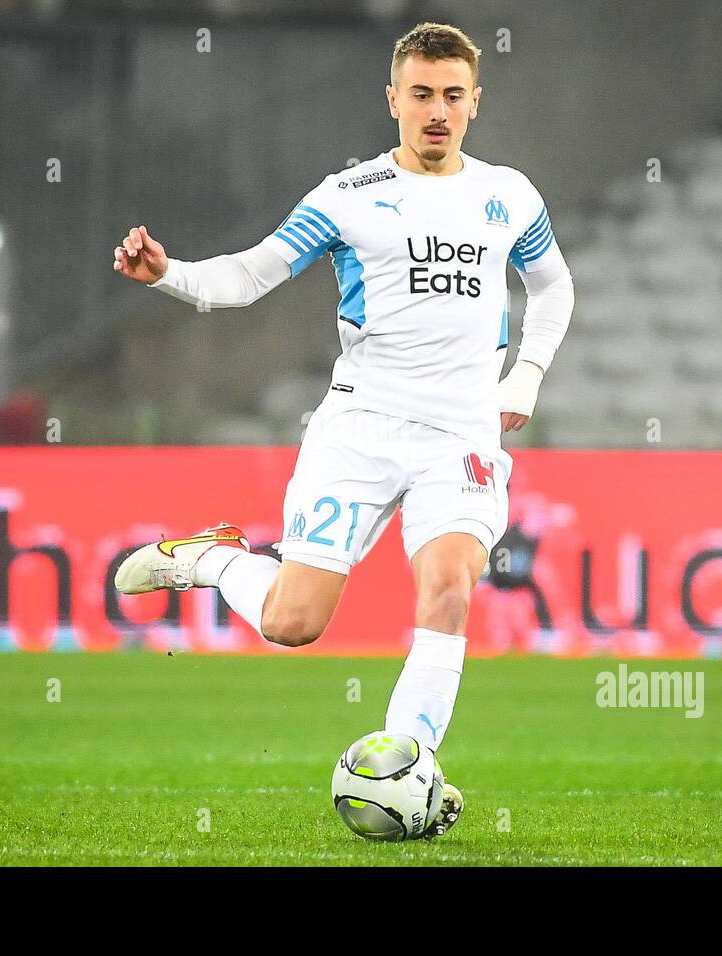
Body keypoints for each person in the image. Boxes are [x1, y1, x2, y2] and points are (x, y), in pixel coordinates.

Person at [110, 22, 574, 839]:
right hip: (360, 428)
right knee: (294, 623)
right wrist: (169, 274)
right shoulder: (347, 196)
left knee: (450, 588)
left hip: (461, 437)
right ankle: (210, 558)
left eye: (453, 96)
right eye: (422, 94)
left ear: (475, 102)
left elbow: (553, 287)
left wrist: (526, 375)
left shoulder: (511, 194)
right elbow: (252, 275)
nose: (437, 112)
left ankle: (415, 769)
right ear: (393, 99)